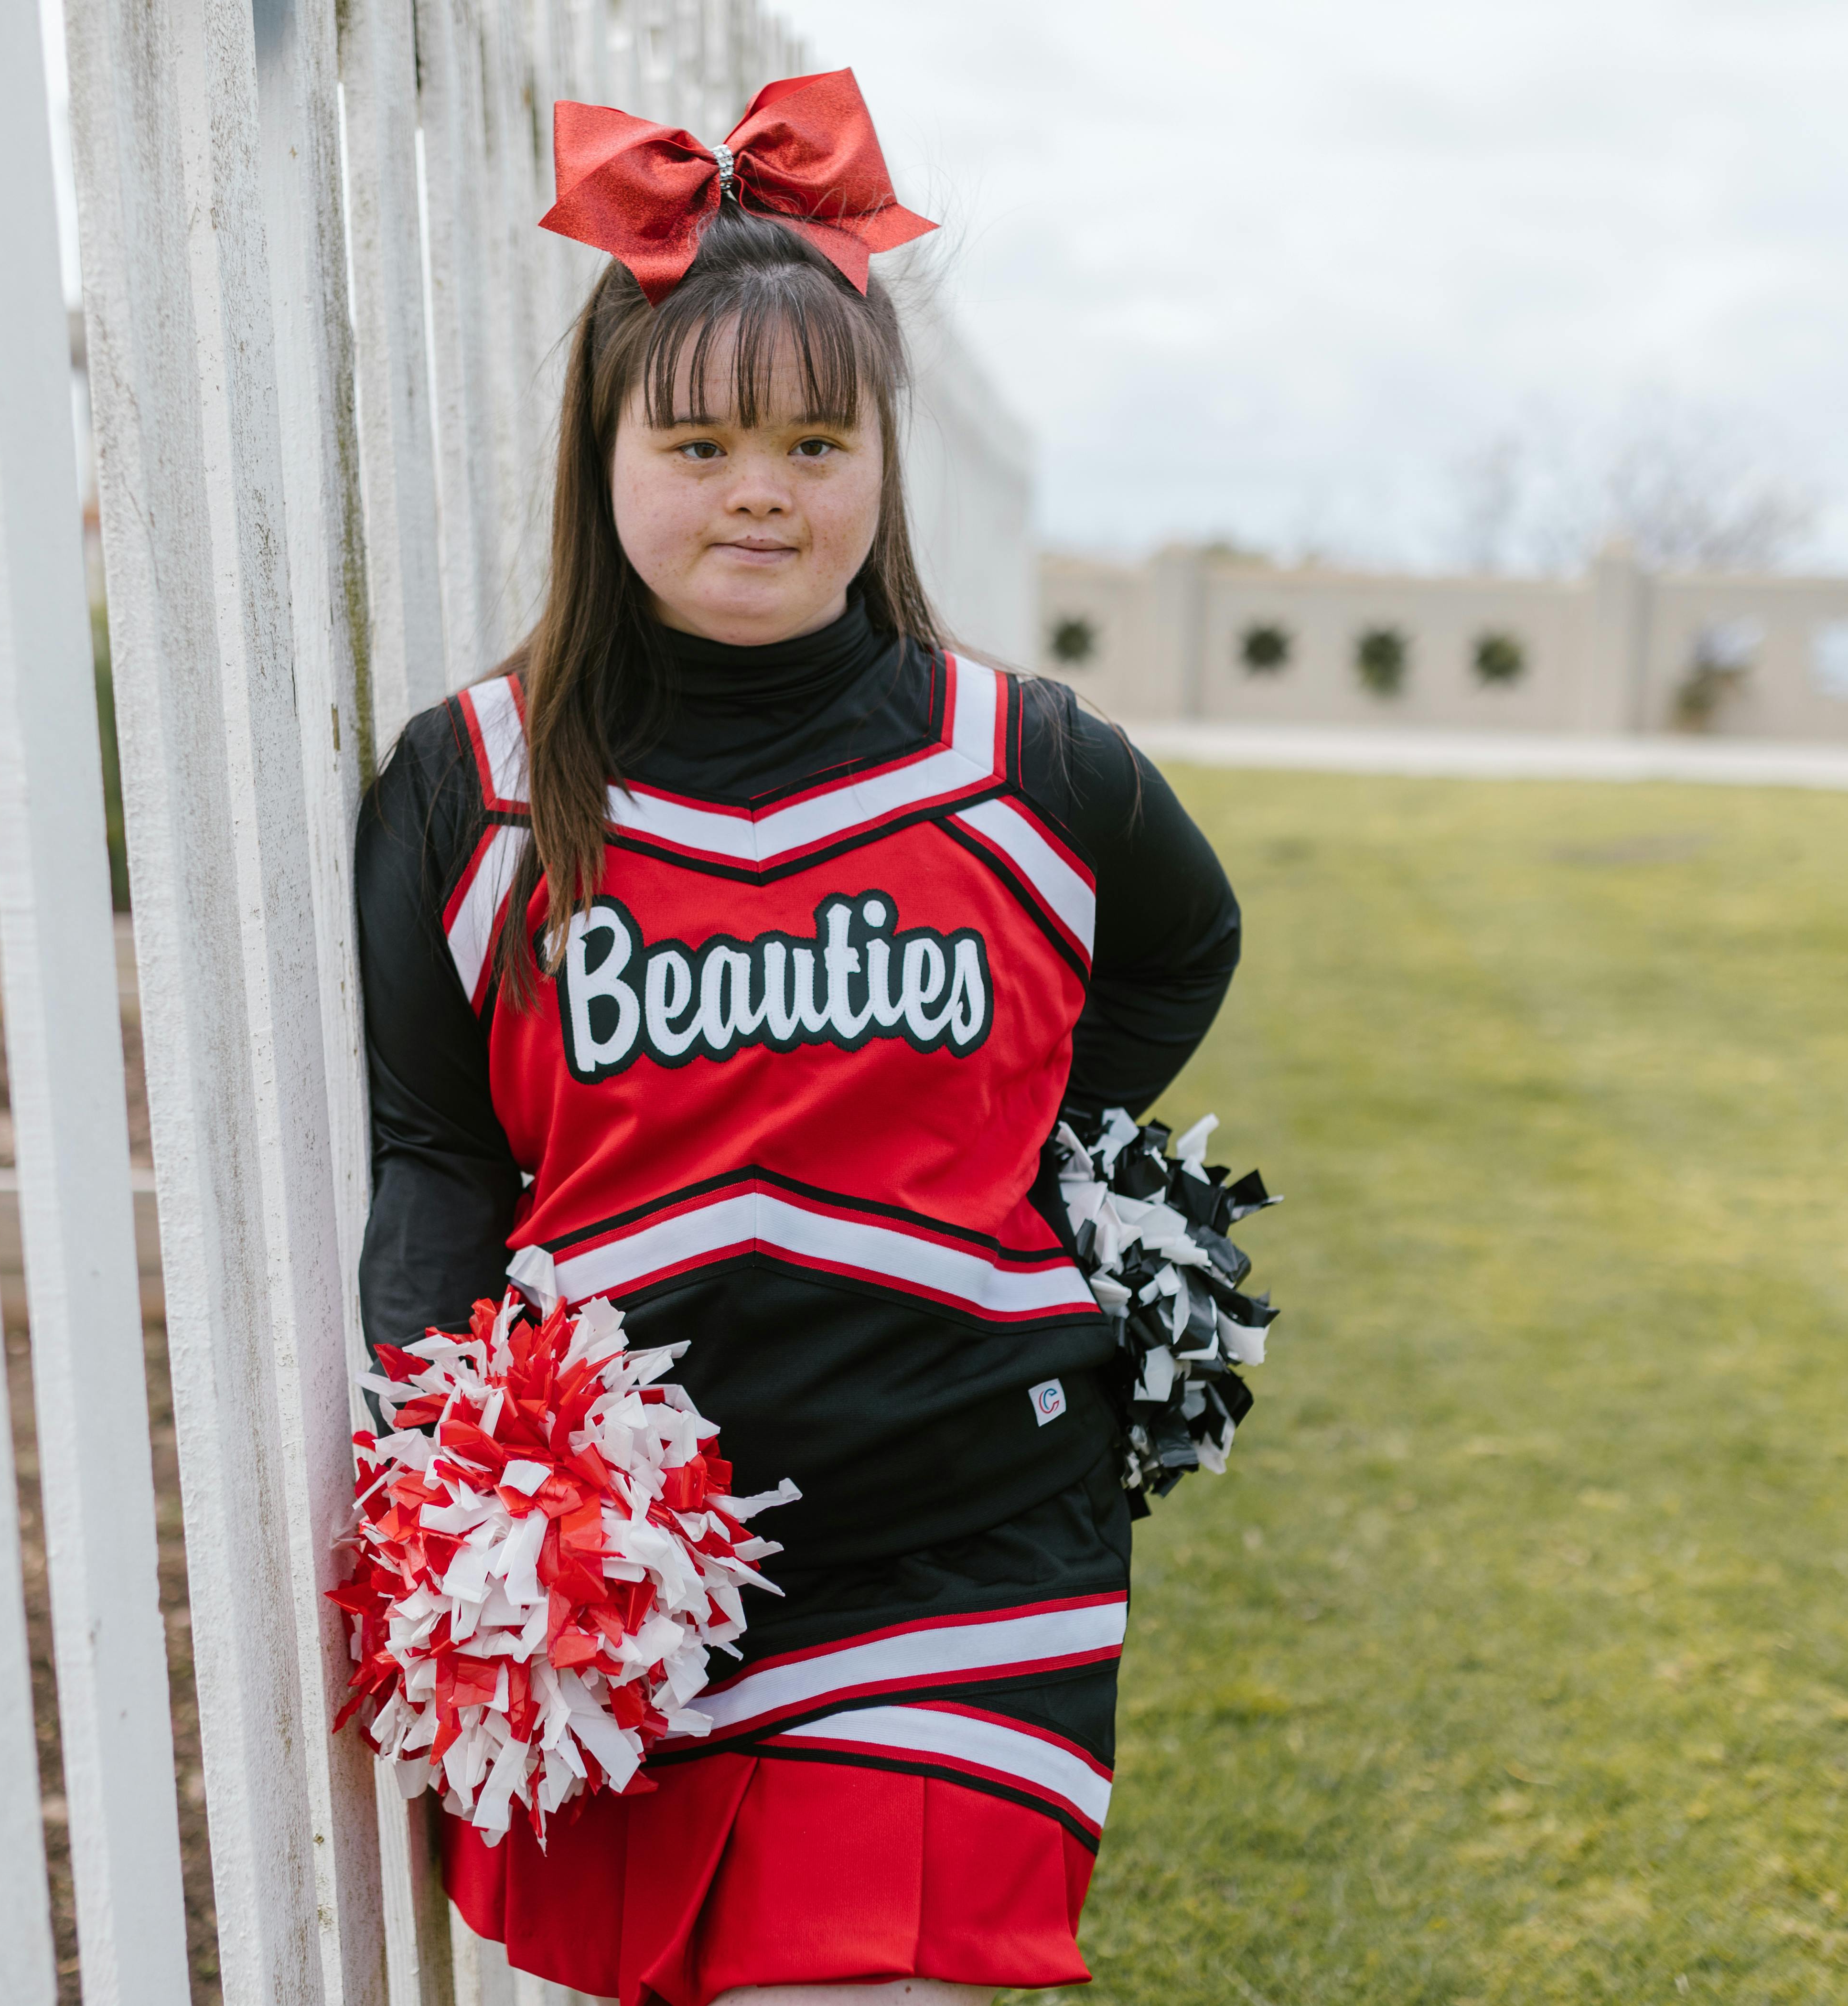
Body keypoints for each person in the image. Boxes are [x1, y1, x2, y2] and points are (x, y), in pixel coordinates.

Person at [352, 70, 1243, 2006]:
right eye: (700, 442)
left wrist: (1027, 1133)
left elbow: (1186, 945)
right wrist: (458, 1470)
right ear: (604, 452)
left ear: (877, 468)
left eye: (817, 441)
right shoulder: (476, 791)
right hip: (628, 1578)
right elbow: (435, 1153)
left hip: (965, 1532)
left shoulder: (1026, 768)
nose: (761, 487)